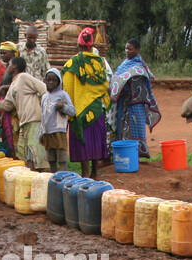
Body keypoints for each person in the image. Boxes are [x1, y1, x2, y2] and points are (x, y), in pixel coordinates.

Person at [61, 27, 112, 176]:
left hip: (79, 109)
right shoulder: (100, 62)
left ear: (78, 45)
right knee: (96, 141)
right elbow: (106, 84)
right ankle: (94, 173)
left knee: (83, 143)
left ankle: (85, 174)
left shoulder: (72, 64)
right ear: (92, 46)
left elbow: (67, 88)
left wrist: (69, 108)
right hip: (96, 108)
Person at [0, 56, 47, 168]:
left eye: (10, 63)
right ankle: (29, 178)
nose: (7, 66)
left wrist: (45, 107)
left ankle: (43, 178)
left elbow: (43, 89)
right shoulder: (13, 83)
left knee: (35, 153)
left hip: (34, 120)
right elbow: (7, 105)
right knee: (22, 154)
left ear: (15, 66)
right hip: (24, 122)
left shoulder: (24, 77)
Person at [110, 39, 161, 159]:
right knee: (123, 128)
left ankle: (136, 155)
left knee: (136, 128)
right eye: (126, 48)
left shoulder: (139, 66)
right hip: (124, 103)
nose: (127, 51)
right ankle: (124, 155)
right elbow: (117, 79)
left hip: (136, 104)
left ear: (137, 50)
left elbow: (144, 83)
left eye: (130, 48)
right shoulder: (125, 64)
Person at [41, 68, 76, 171]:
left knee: (62, 159)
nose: (51, 82)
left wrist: (62, 107)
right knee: (51, 159)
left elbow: (72, 111)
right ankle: (54, 178)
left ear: (59, 82)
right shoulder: (44, 97)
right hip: (47, 132)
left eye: (54, 80)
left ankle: (64, 178)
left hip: (58, 131)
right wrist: (41, 133)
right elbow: (43, 115)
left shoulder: (62, 94)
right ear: (45, 81)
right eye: (49, 80)